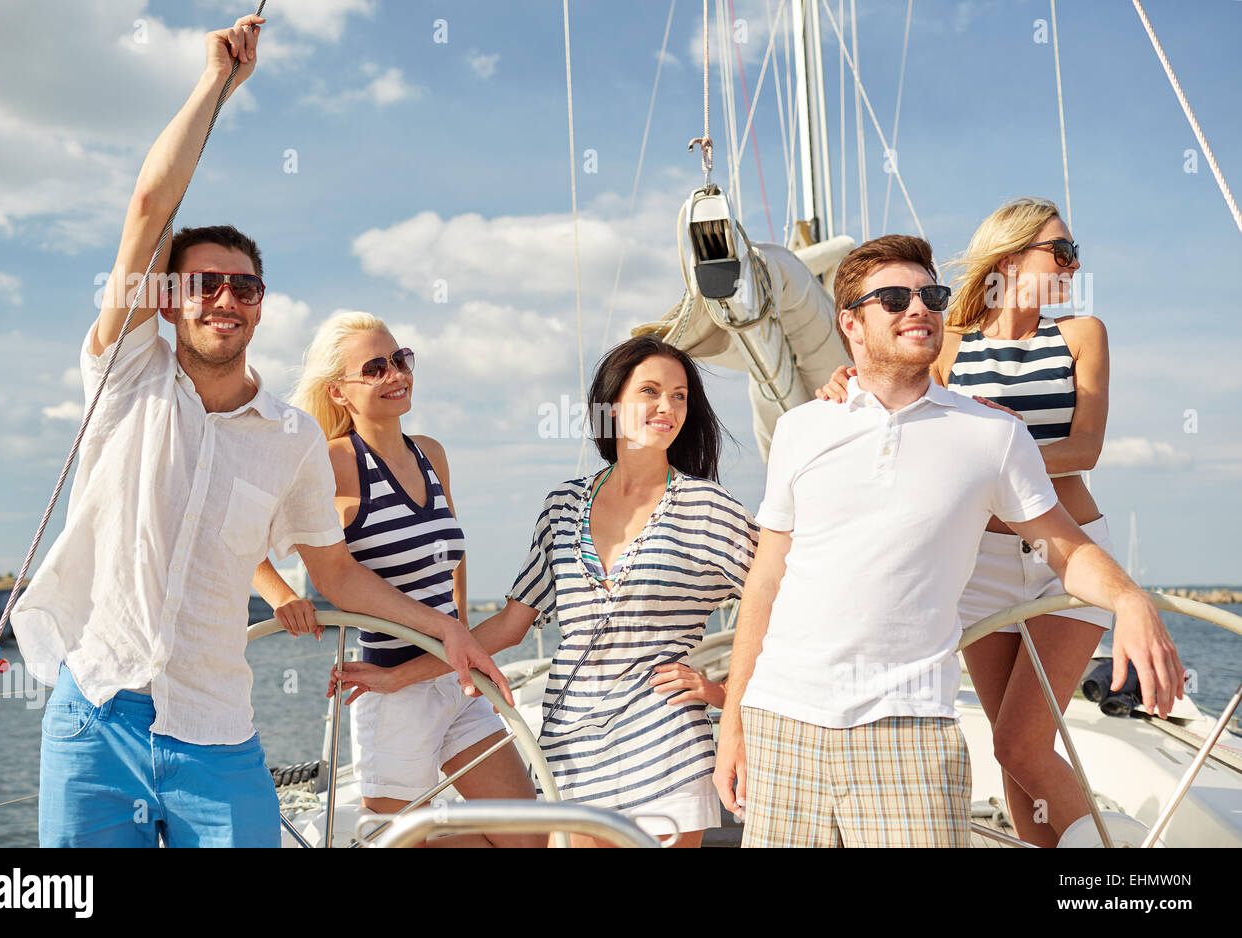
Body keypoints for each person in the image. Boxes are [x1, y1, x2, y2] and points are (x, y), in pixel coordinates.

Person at [10, 12, 509, 849]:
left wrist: (448, 629)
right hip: (94, 720)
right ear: (170, 300)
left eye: (244, 288)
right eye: (204, 282)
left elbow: (339, 579)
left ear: (262, 305)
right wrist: (217, 84)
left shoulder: (290, 439)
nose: (224, 299)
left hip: (216, 732)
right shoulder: (128, 375)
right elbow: (146, 207)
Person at [715, 234, 1183, 848]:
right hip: (783, 723)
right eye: (894, 298)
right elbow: (768, 578)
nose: (919, 308)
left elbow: (1063, 547)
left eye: (930, 295)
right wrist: (734, 723)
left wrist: (1129, 599)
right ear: (850, 323)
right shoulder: (803, 429)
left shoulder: (992, 435)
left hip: (908, 735)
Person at [332, 336, 758, 847]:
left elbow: (786, 607)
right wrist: (399, 676)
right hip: (572, 750)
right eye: (650, 391)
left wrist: (724, 694)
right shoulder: (564, 506)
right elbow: (509, 628)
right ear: (611, 406)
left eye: (680, 395)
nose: (667, 407)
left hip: (664, 747)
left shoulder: (707, 509)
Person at [814, 199, 1137, 846]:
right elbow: (893, 409)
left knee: (1022, 743)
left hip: (1066, 558)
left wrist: (995, 456)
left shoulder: (1081, 334)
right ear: (1010, 257)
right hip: (980, 570)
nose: (1075, 266)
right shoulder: (949, 345)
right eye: (1063, 252)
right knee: (1011, 753)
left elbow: (1085, 449)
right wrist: (843, 380)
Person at [254, 311, 542, 847]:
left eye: (400, 359)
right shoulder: (329, 464)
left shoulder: (431, 453)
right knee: (396, 841)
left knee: (529, 838)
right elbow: (242, 535)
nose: (396, 374)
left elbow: (454, 554)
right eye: (376, 367)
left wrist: (457, 628)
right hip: (390, 688)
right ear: (338, 392)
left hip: (455, 677)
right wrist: (282, 594)